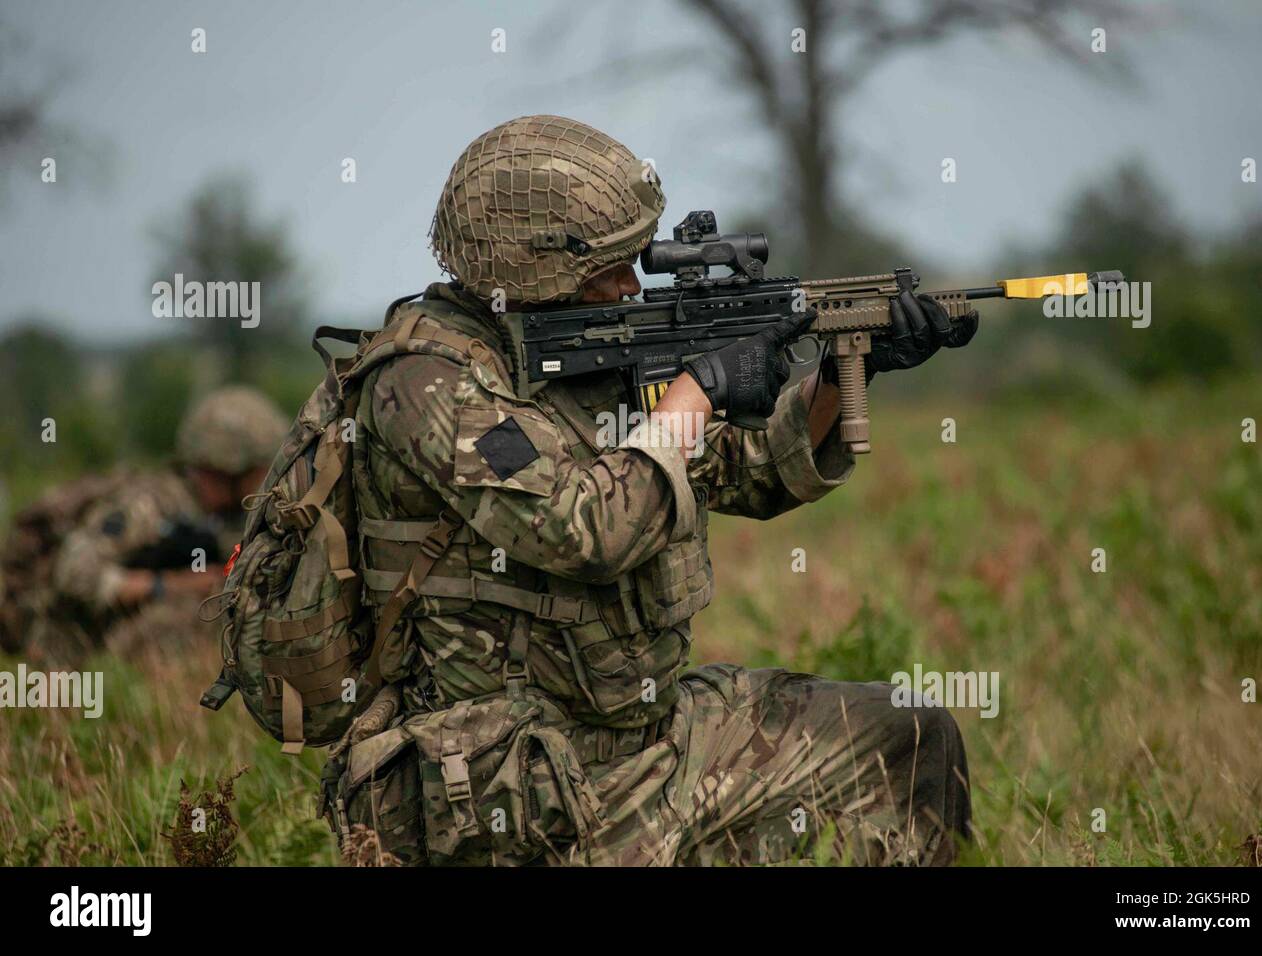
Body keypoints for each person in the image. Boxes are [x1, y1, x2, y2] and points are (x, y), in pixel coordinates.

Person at [334, 115, 977, 865]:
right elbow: (583, 528)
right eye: (608, 268)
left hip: (653, 741)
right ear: (535, 267)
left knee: (909, 734)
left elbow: (750, 472)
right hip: (513, 792)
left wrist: (842, 371)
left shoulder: (585, 349)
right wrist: (697, 392)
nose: (630, 286)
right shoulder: (426, 384)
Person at [0, 385, 288, 663]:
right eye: (261, 469)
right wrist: (170, 585)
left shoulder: (224, 515)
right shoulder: (148, 506)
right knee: (193, 610)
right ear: (227, 467)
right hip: (65, 647)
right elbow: (75, 573)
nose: (268, 479)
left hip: (112, 646)